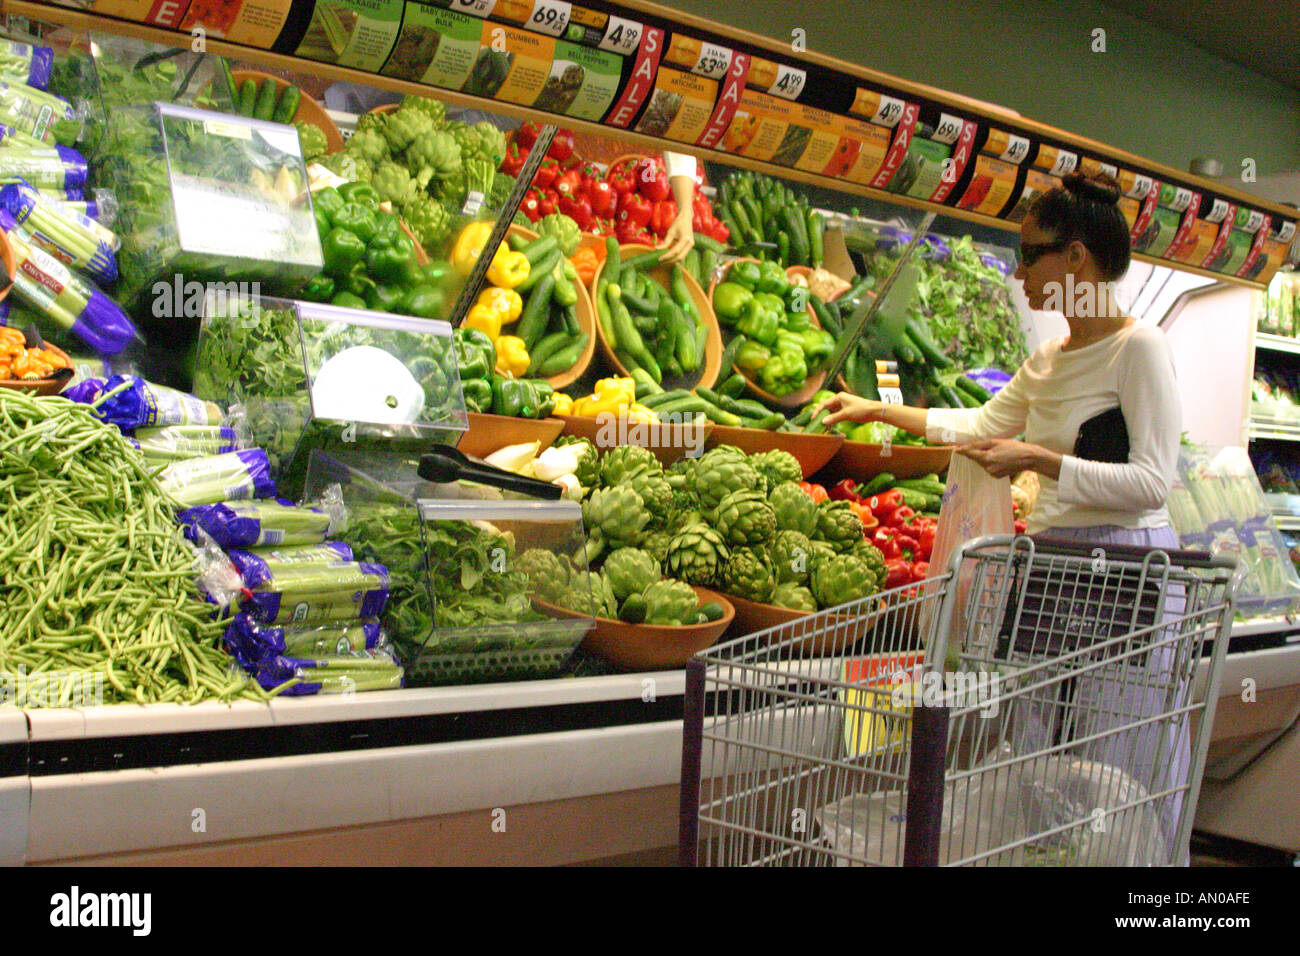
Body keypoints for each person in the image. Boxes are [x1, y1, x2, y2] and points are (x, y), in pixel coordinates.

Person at [818, 170, 1193, 863]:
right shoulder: (1050, 357)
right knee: (1042, 755)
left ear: (1075, 257)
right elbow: (983, 422)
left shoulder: (1140, 349)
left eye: (1030, 254)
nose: (1019, 272)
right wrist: (878, 411)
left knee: (1116, 757)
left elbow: (1151, 481)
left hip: (1126, 574)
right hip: (1052, 569)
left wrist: (1039, 460)